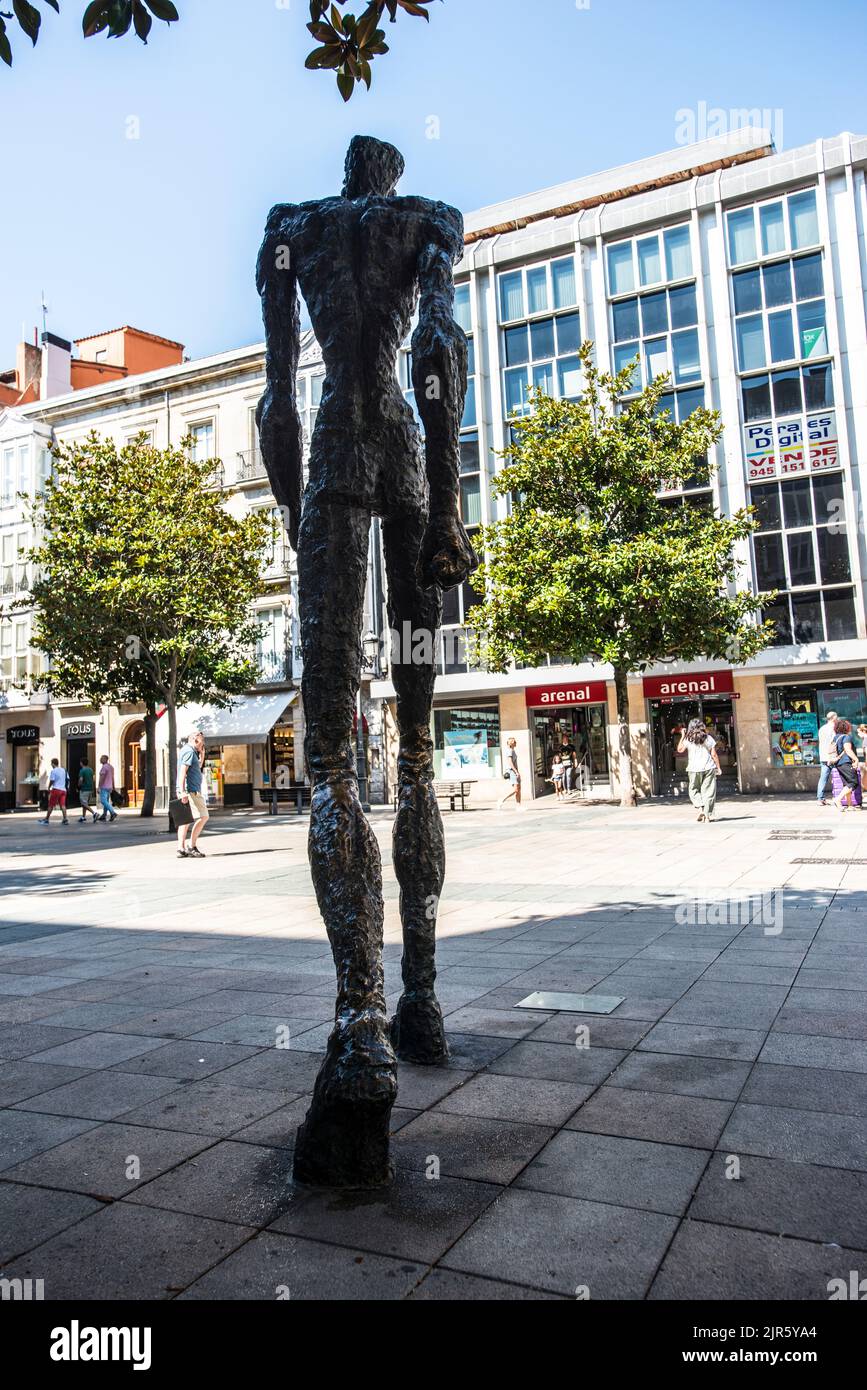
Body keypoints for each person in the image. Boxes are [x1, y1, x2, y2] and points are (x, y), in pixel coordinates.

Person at [677, 717, 721, 823]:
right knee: (709, 792)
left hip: (693, 769)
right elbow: (714, 754)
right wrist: (718, 767)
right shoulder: (708, 738)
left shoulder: (688, 738)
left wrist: (682, 736)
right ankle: (707, 816)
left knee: (693, 790)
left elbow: (679, 750)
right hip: (708, 768)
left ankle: (700, 807)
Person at [177, 730, 209, 858]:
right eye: (202, 740)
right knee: (203, 816)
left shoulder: (190, 751)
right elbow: (182, 773)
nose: (203, 743)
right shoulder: (189, 752)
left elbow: (197, 767)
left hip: (190, 790)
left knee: (185, 821)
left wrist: (202, 754)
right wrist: (182, 791)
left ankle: (180, 848)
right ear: (195, 739)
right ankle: (191, 845)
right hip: (192, 791)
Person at [830, 718, 859, 814]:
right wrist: (856, 759)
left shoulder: (836, 737)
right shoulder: (846, 737)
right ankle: (838, 799)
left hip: (838, 763)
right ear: (846, 727)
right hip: (846, 762)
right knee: (853, 783)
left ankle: (850, 805)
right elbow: (848, 749)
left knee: (847, 784)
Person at [816, 709, 839, 805]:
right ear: (833, 718)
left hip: (823, 757)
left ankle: (820, 799)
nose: (837, 719)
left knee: (823, 778)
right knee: (838, 777)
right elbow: (832, 744)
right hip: (831, 757)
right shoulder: (832, 729)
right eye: (836, 718)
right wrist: (832, 757)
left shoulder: (822, 728)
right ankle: (838, 796)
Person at [39, 759, 70, 826]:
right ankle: (65, 819)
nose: (51, 765)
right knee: (63, 805)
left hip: (56, 789)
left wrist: (48, 787)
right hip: (63, 790)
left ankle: (46, 819)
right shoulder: (64, 770)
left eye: (51, 763)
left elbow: (52, 780)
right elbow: (68, 779)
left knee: (51, 805)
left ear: (53, 764)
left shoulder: (53, 771)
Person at [499, 736, 522, 809]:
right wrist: (516, 771)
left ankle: (518, 806)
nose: (516, 743)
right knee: (516, 789)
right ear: (511, 743)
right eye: (514, 742)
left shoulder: (513, 750)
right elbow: (510, 763)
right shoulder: (510, 751)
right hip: (512, 771)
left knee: (518, 789)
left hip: (515, 771)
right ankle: (502, 799)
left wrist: (517, 771)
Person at [97, 754, 118, 823]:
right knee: (106, 800)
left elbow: (102, 778)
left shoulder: (104, 768)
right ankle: (104, 814)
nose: (100, 759)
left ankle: (112, 812)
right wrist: (113, 786)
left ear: (105, 759)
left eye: (102, 758)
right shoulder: (111, 767)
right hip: (110, 787)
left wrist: (99, 787)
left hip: (104, 787)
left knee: (103, 801)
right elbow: (112, 777)